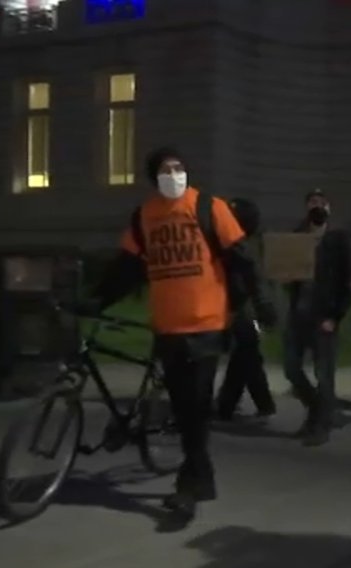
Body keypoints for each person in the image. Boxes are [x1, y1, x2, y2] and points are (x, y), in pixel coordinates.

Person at [90, 147, 275, 523]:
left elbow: (242, 258)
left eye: (179, 168)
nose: (173, 174)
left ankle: (187, 487)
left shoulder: (209, 207)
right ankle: (204, 479)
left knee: (194, 408)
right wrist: (96, 300)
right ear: (153, 177)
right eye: (165, 169)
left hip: (206, 323)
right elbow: (127, 268)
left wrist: (262, 301)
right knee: (186, 409)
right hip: (168, 326)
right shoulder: (145, 216)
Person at [284, 188, 351, 446]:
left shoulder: (338, 240)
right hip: (299, 313)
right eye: (313, 202)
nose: (317, 206)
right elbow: (286, 272)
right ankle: (316, 409)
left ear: (329, 208)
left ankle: (321, 425)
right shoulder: (297, 236)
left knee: (324, 374)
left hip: (324, 316)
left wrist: (335, 316)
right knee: (291, 368)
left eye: (322, 203)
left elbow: (346, 282)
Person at [215, 197, 277, 422]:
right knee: (246, 355)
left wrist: (263, 308)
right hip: (242, 305)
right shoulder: (246, 243)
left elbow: (250, 280)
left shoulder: (240, 246)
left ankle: (229, 405)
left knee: (245, 355)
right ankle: (253, 404)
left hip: (243, 306)